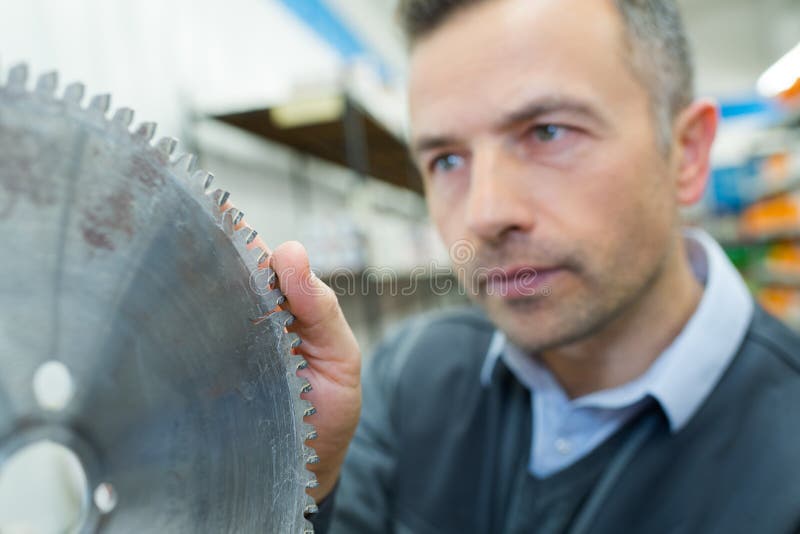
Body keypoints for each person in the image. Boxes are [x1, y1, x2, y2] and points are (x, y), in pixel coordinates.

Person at [269, 0, 800, 532]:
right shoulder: (409, 377)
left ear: (686, 152)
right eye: (447, 161)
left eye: (548, 132)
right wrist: (289, 488)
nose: (485, 214)